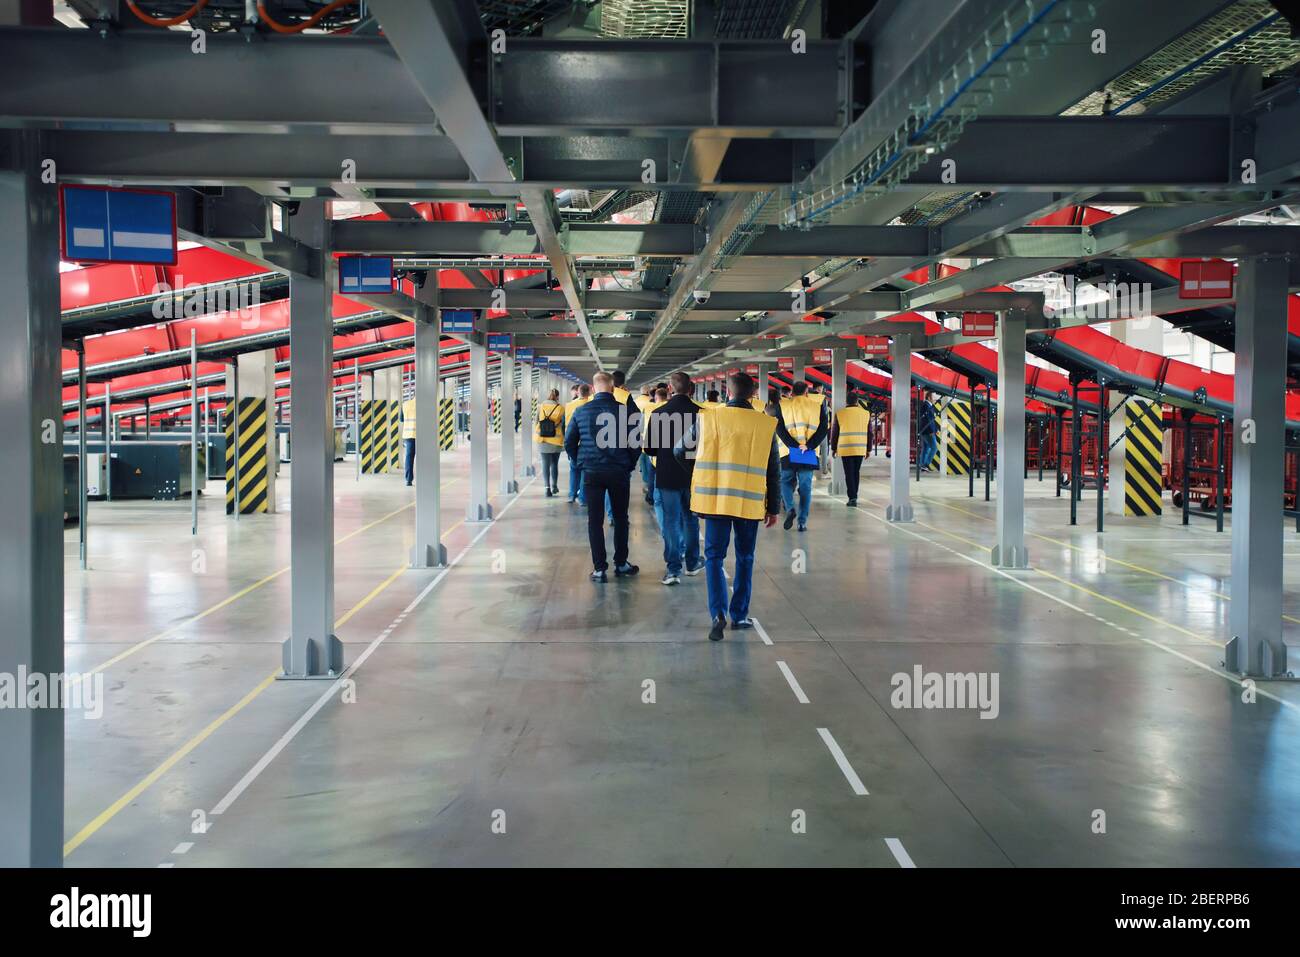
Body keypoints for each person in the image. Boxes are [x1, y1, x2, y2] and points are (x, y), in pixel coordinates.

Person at [675, 371, 780, 641]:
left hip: (715, 500)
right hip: (749, 502)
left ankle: (717, 614)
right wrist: (774, 507)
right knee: (745, 557)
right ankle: (740, 614)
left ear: (728, 392)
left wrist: (698, 472)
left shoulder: (708, 418)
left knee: (713, 557)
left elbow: (679, 450)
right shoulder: (765, 424)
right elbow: (773, 470)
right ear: (753, 394)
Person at [565, 372, 640, 582]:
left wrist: (580, 462)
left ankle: (599, 569)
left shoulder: (580, 411)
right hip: (619, 472)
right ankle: (622, 563)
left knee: (595, 521)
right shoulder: (625, 412)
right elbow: (636, 444)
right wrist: (629, 464)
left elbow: (569, 443)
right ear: (613, 388)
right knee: (621, 519)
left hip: (592, 472)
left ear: (593, 387)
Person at [643, 373, 702, 585]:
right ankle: (693, 563)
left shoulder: (658, 414)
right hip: (695, 476)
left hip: (667, 476)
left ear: (670, 388)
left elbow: (649, 448)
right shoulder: (702, 414)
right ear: (692, 389)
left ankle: (673, 569)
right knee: (691, 520)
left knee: (670, 522)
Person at [776, 381, 828, 531]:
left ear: (792, 392)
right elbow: (823, 429)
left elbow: (779, 428)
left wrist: (793, 446)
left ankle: (790, 508)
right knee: (805, 487)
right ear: (806, 392)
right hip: (809, 453)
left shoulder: (783, 405)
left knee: (785, 482)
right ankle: (802, 522)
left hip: (788, 452)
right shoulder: (817, 406)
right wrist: (809, 446)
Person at [831, 390, 871, 507]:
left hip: (845, 448)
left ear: (846, 401)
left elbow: (834, 433)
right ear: (857, 401)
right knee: (856, 472)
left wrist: (833, 448)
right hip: (860, 448)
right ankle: (854, 495)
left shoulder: (840, 414)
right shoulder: (865, 414)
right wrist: (868, 449)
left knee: (848, 473)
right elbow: (870, 433)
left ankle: (852, 497)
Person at [563, 384, 592, 504]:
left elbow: (565, 423)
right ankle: (582, 498)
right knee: (584, 472)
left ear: (578, 392)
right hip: (585, 442)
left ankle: (571, 495)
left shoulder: (569, 405)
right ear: (589, 392)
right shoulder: (590, 405)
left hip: (571, 441)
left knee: (574, 469)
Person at [536, 387, 565, 497]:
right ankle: (554, 486)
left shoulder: (540, 406)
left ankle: (547, 488)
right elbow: (563, 425)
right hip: (556, 440)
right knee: (554, 464)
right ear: (557, 397)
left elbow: (536, 421)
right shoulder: (561, 408)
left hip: (542, 439)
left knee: (545, 464)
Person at [917, 391, 939, 471]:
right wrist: (932, 431)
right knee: (934, 448)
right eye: (933, 397)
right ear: (929, 398)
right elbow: (928, 420)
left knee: (926, 448)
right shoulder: (926, 406)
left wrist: (936, 429)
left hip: (925, 430)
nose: (935, 399)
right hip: (928, 431)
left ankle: (922, 465)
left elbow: (931, 420)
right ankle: (926, 464)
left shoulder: (928, 405)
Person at [400, 395, 417, 486]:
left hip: (409, 434)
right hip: (422, 435)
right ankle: (424, 478)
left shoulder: (405, 404)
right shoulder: (425, 404)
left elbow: (401, 419)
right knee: (423, 458)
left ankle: (408, 480)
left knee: (409, 457)